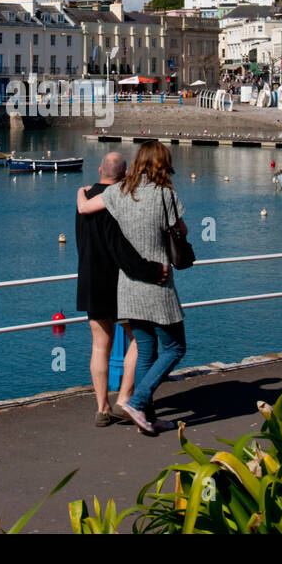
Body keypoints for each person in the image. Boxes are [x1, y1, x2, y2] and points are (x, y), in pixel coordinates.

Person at [77, 141, 186, 435]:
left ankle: (124, 412)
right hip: (144, 280)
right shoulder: (156, 193)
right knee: (163, 346)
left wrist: (79, 191)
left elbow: (85, 207)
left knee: (128, 347)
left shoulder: (110, 194)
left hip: (110, 283)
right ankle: (133, 400)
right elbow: (178, 230)